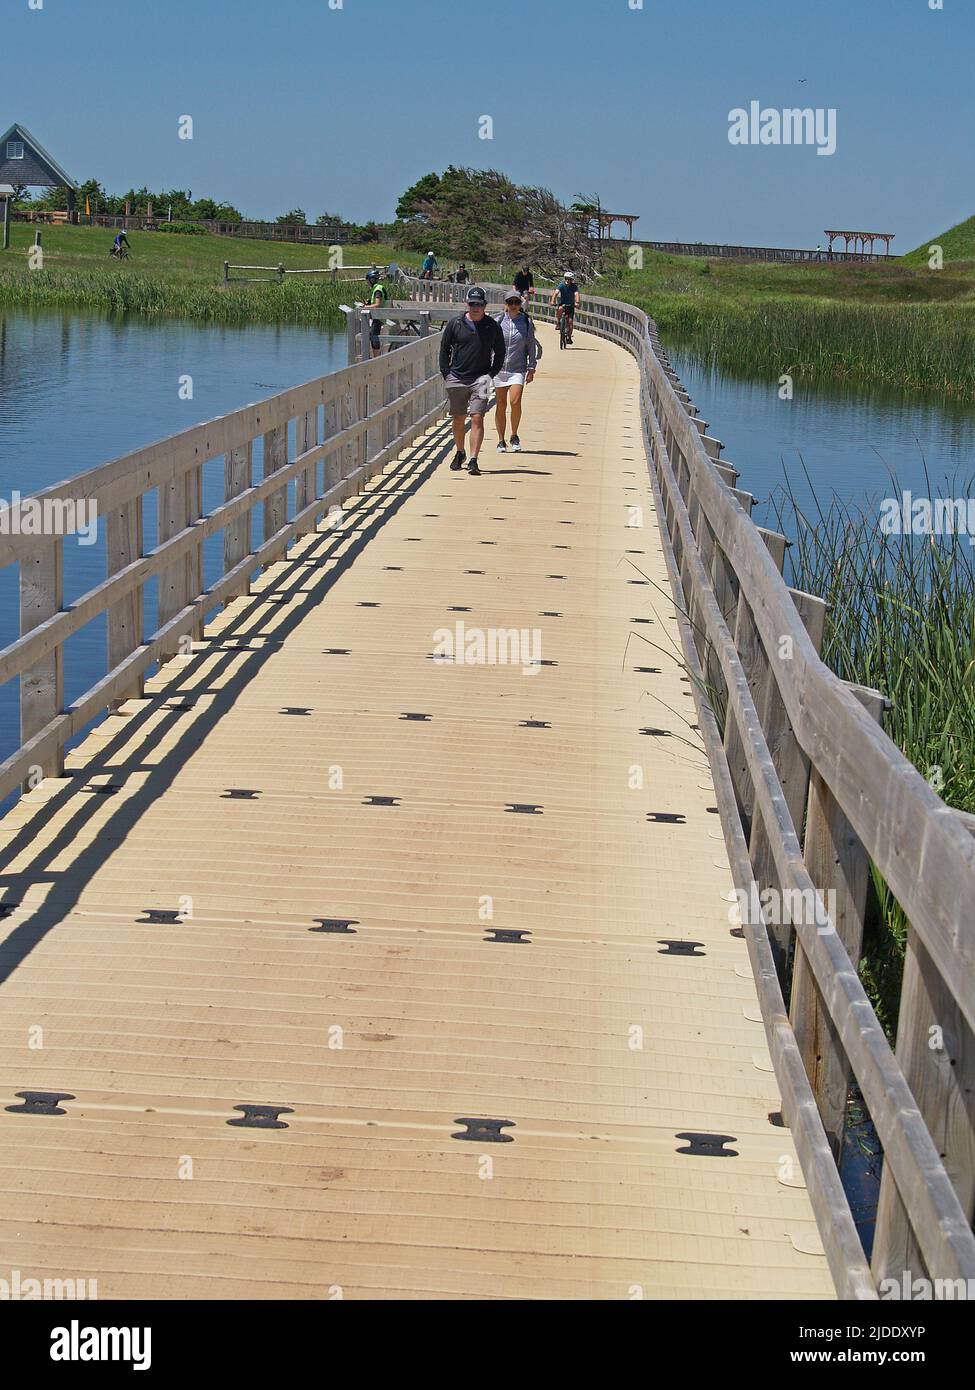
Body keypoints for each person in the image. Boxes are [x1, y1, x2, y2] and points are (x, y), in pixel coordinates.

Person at [439, 285, 505, 476]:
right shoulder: (455, 324)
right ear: (466, 304)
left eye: (479, 304)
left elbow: (500, 353)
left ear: (485, 306)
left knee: (477, 417)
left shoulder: (492, 326)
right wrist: (446, 373)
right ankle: (460, 452)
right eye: (472, 304)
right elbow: (444, 349)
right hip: (457, 378)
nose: (475, 308)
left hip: (481, 380)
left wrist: (490, 375)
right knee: (458, 418)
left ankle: (474, 459)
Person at [493, 290, 537, 453]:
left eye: (516, 303)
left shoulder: (526, 322)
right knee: (501, 403)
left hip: (517, 368)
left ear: (520, 304)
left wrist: (531, 367)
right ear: (505, 304)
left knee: (515, 401)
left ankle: (514, 435)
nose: (513, 306)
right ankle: (500, 440)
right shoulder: (497, 321)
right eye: (510, 302)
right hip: (499, 369)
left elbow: (531, 345)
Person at [550, 271, 580, 343]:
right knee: (560, 309)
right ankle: (558, 322)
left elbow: (576, 294)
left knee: (570, 322)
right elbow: (556, 293)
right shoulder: (561, 285)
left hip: (571, 306)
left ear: (572, 280)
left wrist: (577, 302)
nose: (567, 280)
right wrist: (552, 301)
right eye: (566, 278)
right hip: (563, 304)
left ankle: (569, 337)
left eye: (569, 279)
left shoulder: (574, 287)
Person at [366, 273, 389, 357]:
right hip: (378, 316)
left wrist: (366, 307)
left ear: (371, 280)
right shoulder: (378, 288)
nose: (367, 283)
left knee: (374, 338)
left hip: (379, 316)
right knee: (372, 335)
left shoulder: (377, 290)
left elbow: (377, 304)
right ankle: (377, 356)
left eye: (368, 281)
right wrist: (369, 303)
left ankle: (377, 358)